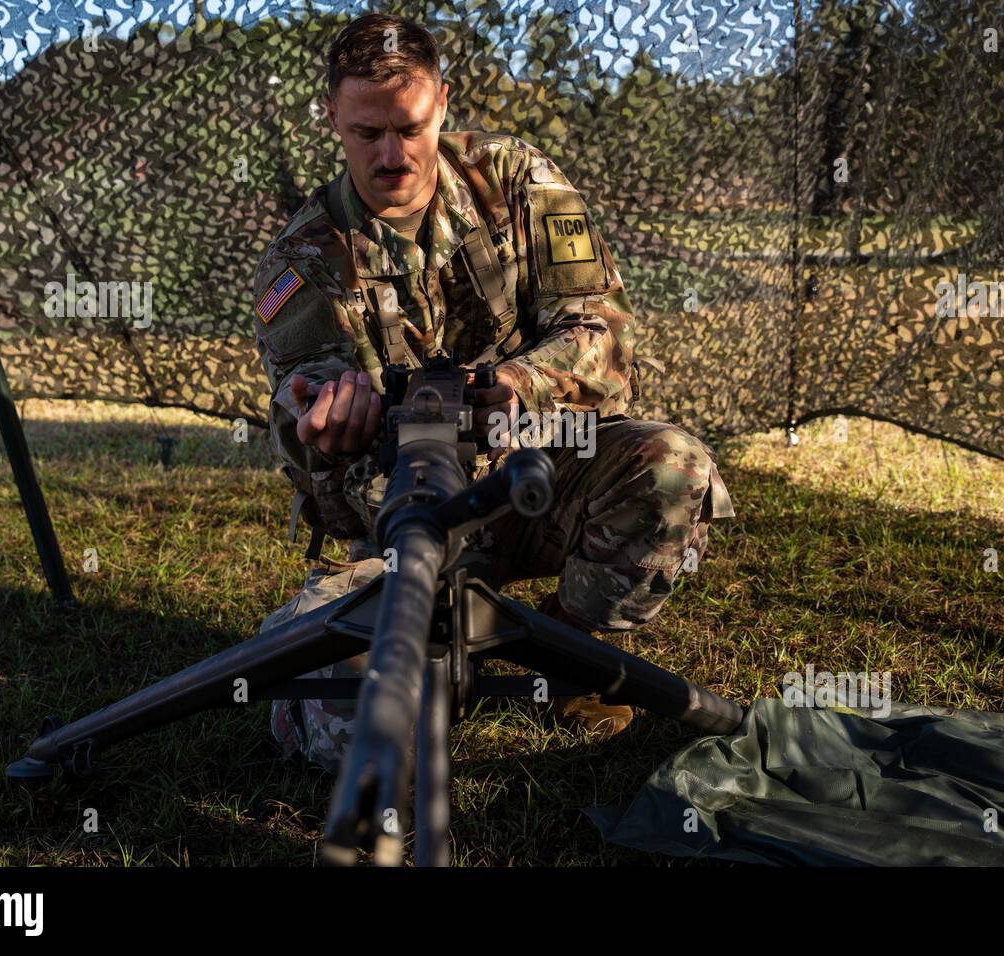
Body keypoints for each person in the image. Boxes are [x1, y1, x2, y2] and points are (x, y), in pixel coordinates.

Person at [253, 13, 734, 773]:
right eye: (365, 132)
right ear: (332, 120)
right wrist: (326, 423)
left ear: (442, 103)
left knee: (673, 465)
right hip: (402, 528)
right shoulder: (306, 259)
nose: (390, 155)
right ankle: (355, 655)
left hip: (531, 484)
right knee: (366, 737)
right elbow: (302, 413)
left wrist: (520, 383)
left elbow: (604, 331)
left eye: (409, 128)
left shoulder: (513, 179)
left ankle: (573, 656)